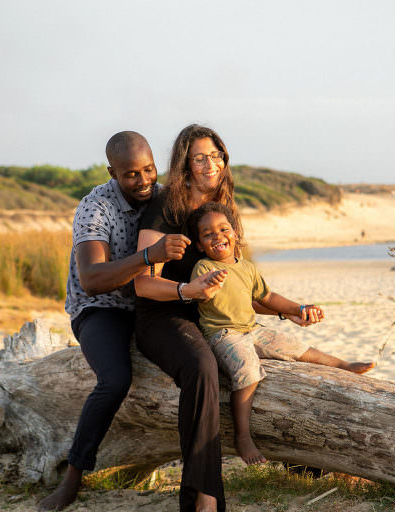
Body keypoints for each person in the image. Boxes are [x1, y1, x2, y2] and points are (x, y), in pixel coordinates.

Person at [38, 131, 192, 511]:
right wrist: (149, 256)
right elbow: (91, 279)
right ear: (112, 172)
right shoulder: (95, 207)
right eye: (131, 174)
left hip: (148, 304)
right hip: (100, 308)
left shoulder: (164, 198)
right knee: (115, 380)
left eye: (149, 169)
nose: (143, 180)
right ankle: (73, 478)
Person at [188, 202, 376, 466]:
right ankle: (242, 436)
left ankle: (343, 365)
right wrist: (209, 284)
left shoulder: (247, 268)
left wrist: (298, 309)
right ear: (200, 245)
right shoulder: (204, 268)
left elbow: (267, 297)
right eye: (208, 234)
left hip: (252, 329)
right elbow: (200, 291)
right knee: (248, 370)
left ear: (235, 234)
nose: (217, 236)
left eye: (223, 229)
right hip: (223, 334)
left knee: (293, 346)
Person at [134, 124, 241, 512]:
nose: (211, 164)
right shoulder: (166, 208)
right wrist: (186, 291)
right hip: (161, 315)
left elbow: (238, 278)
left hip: (205, 315)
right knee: (201, 366)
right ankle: (203, 500)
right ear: (185, 164)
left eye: (216, 155)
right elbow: (143, 284)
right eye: (200, 158)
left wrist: (289, 310)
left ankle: (305, 467)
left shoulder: (224, 210)